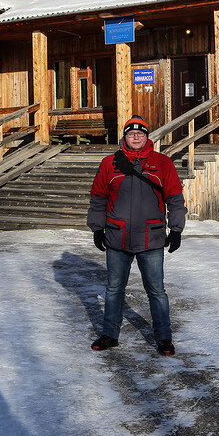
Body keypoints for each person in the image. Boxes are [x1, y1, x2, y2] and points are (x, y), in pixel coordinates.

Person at [86, 115, 187, 356]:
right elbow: (98, 198)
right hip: (117, 237)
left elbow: (175, 199)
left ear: (147, 137)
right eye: (131, 134)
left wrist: (176, 229)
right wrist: (97, 228)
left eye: (140, 134)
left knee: (157, 291)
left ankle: (163, 337)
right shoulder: (109, 163)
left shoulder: (162, 163)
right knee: (113, 289)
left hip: (150, 238)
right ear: (125, 137)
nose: (136, 137)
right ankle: (110, 334)